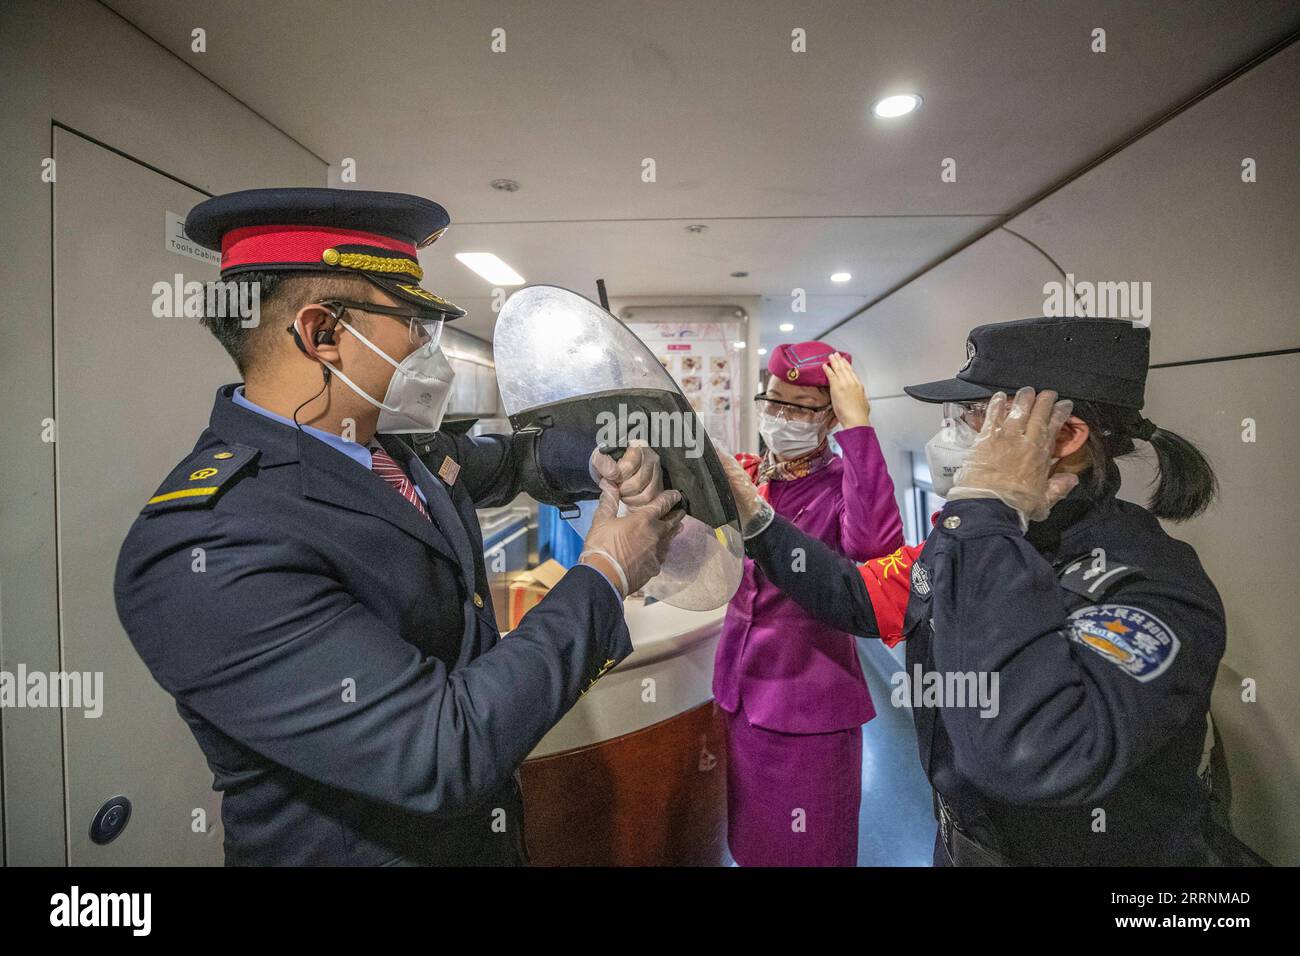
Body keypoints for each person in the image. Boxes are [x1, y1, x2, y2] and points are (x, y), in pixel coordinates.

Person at [114, 187, 682, 865]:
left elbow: (517, 459)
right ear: (322, 333)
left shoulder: (395, 450)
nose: (425, 345)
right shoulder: (209, 543)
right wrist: (606, 572)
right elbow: (442, 751)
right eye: (413, 321)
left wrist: (594, 459)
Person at [721, 316, 1226, 865]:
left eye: (971, 417)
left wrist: (985, 508)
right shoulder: (970, 537)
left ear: (1063, 436)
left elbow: (1033, 756)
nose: (949, 436)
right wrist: (755, 517)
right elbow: (856, 594)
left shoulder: (1149, 583)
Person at [715, 343, 902, 866]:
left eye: (800, 407)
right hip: (738, 695)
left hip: (808, 705)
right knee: (750, 844)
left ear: (829, 416)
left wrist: (858, 428)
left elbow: (876, 553)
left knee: (808, 850)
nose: (781, 417)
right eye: (774, 401)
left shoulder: (845, 484)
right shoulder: (751, 476)